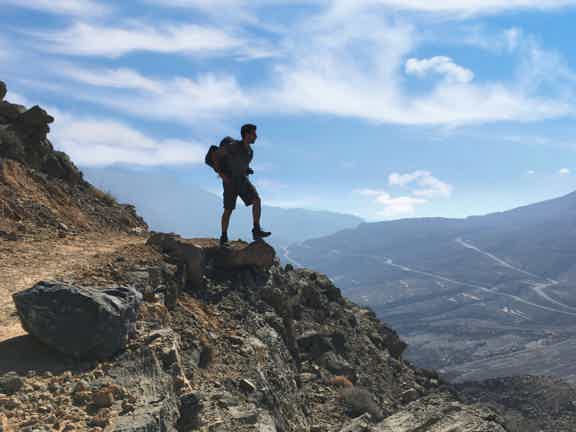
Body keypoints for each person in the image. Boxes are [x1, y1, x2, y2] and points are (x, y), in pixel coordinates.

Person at [214, 123, 271, 247]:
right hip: (229, 181)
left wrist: (247, 169)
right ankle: (223, 237)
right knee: (228, 209)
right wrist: (221, 173)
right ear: (247, 134)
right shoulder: (233, 146)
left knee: (257, 200)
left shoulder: (250, 152)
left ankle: (256, 230)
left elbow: (240, 164)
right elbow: (217, 155)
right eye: (254, 133)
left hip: (242, 180)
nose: (256, 136)